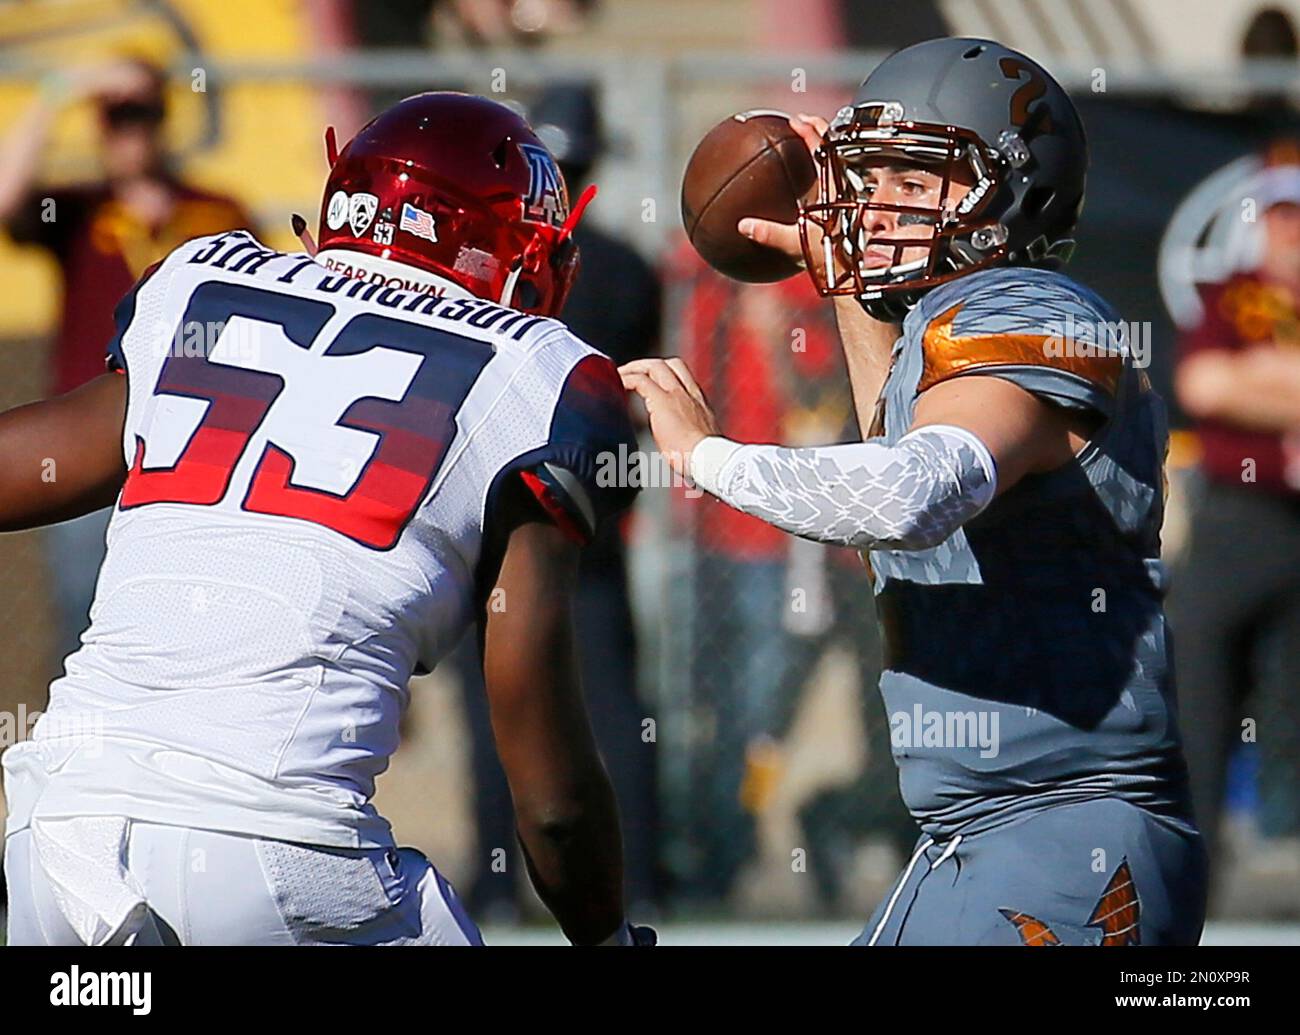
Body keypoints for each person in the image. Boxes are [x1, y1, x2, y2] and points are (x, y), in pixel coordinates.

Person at [0, 92, 652, 947]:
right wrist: (605, 933)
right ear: (519, 256)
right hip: (275, 847)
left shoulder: (209, 278)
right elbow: (553, 795)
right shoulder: (537, 374)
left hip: (57, 830)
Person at [623, 37, 1207, 945]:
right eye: (871, 177)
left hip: (1069, 837)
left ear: (1013, 195)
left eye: (915, 180)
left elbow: (912, 493)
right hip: (973, 834)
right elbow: (901, 484)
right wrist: (846, 286)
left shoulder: (1033, 311)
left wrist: (708, 456)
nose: (878, 207)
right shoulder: (943, 326)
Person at [450, 82, 664, 917]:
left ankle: (501, 881)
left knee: (496, 699)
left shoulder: (492, 261)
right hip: (590, 505)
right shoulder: (628, 268)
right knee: (607, 698)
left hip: (499, 505)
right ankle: (638, 878)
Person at [0, 57, 253, 668]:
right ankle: (75, 754)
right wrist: (60, 88)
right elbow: (5, 198)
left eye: (141, 115)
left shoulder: (218, 211)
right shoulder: (79, 210)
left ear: (165, 117)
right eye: (115, 119)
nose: (129, 134)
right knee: (81, 628)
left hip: (193, 454)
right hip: (93, 450)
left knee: (192, 633)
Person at [1169, 150, 1300, 890]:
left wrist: (1267, 377)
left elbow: (1238, 383)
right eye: (1280, 216)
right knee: (1204, 685)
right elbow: (1206, 383)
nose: (1291, 232)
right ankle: (1195, 873)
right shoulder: (1231, 296)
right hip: (1242, 518)